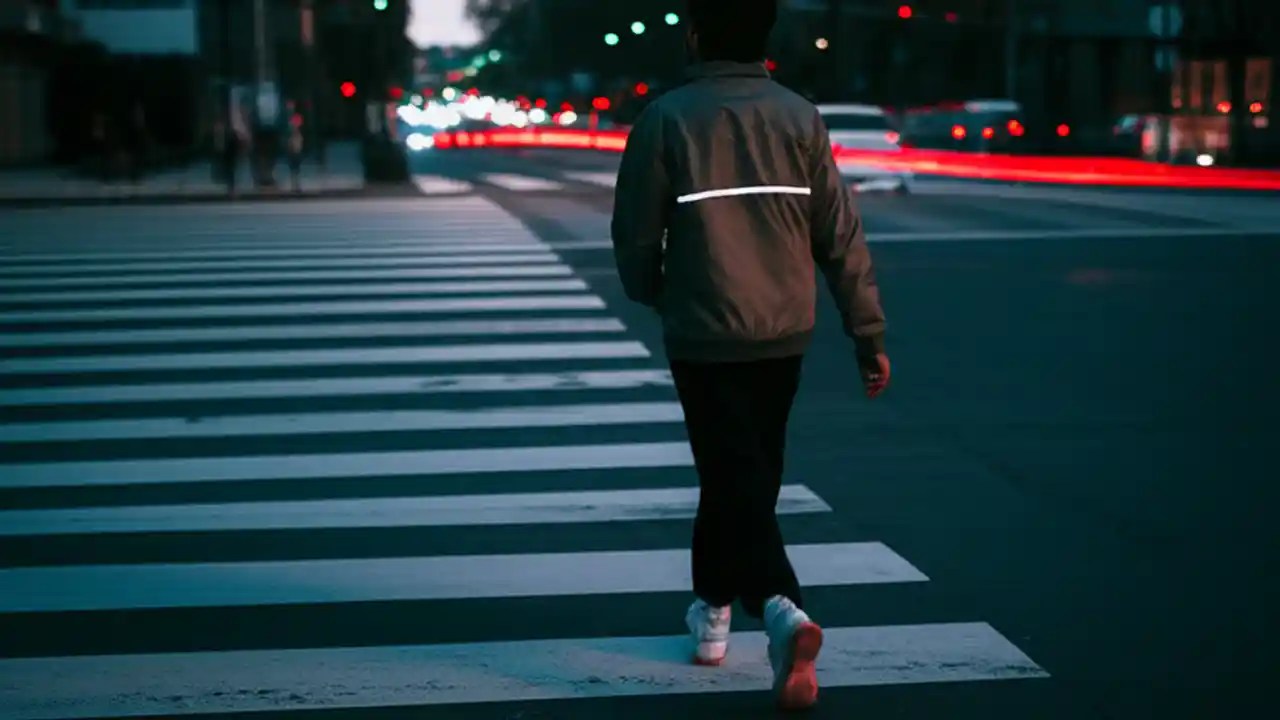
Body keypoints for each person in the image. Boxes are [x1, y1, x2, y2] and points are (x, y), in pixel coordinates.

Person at [610, 0, 890, 710]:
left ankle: (783, 611)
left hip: (705, 332)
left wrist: (656, 292)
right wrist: (867, 333)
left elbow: (635, 237)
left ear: (698, 37)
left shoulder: (666, 120)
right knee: (745, 472)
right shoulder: (800, 117)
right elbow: (840, 236)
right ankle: (710, 614)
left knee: (732, 471)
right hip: (783, 331)